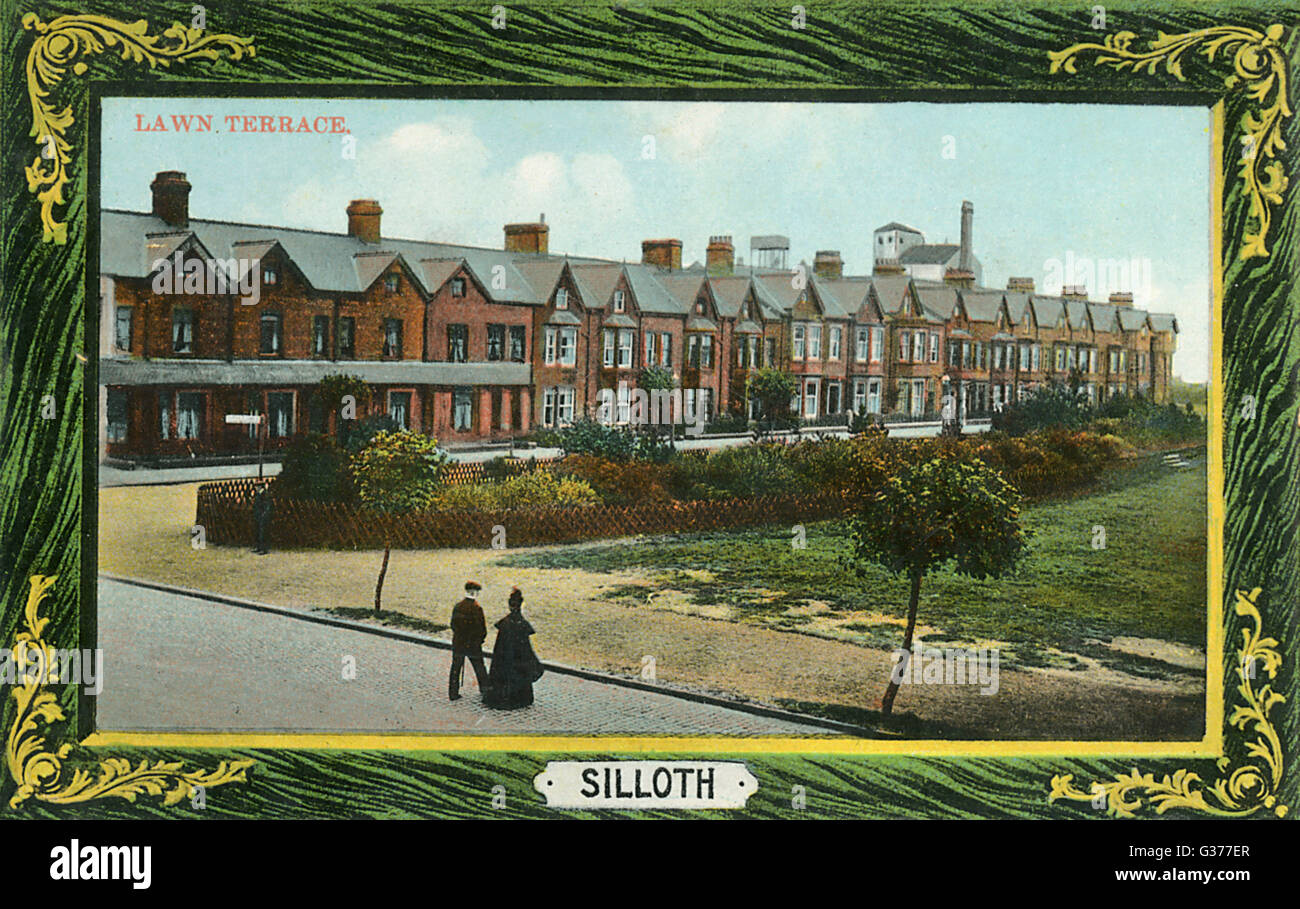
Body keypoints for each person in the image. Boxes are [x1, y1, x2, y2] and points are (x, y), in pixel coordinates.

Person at [485, 587, 544, 709]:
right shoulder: (522, 624)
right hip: (518, 660)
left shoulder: (505, 623)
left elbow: (499, 647)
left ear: (510, 606)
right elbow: (526, 647)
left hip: (504, 659)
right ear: (521, 605)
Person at [448, 581, 488, 701]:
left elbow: (453, 624)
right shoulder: (477, 608)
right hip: (472, 644)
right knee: (479, 667)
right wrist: (480, 640)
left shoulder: (458, 606)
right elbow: (481, 629)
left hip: (459, 642)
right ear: (475, 593)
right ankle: (485, 690)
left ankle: (453, 693)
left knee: (456, 667)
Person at [252, 486, 273, 555]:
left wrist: (264, 515)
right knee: (258, 532)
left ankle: (264, 549)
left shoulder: (265, 494)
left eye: (257, 486)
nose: (255, 488)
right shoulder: (258, 494)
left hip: (263, 517)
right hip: (258, 516)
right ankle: (258, 547)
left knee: (263, 533)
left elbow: (267, 506)